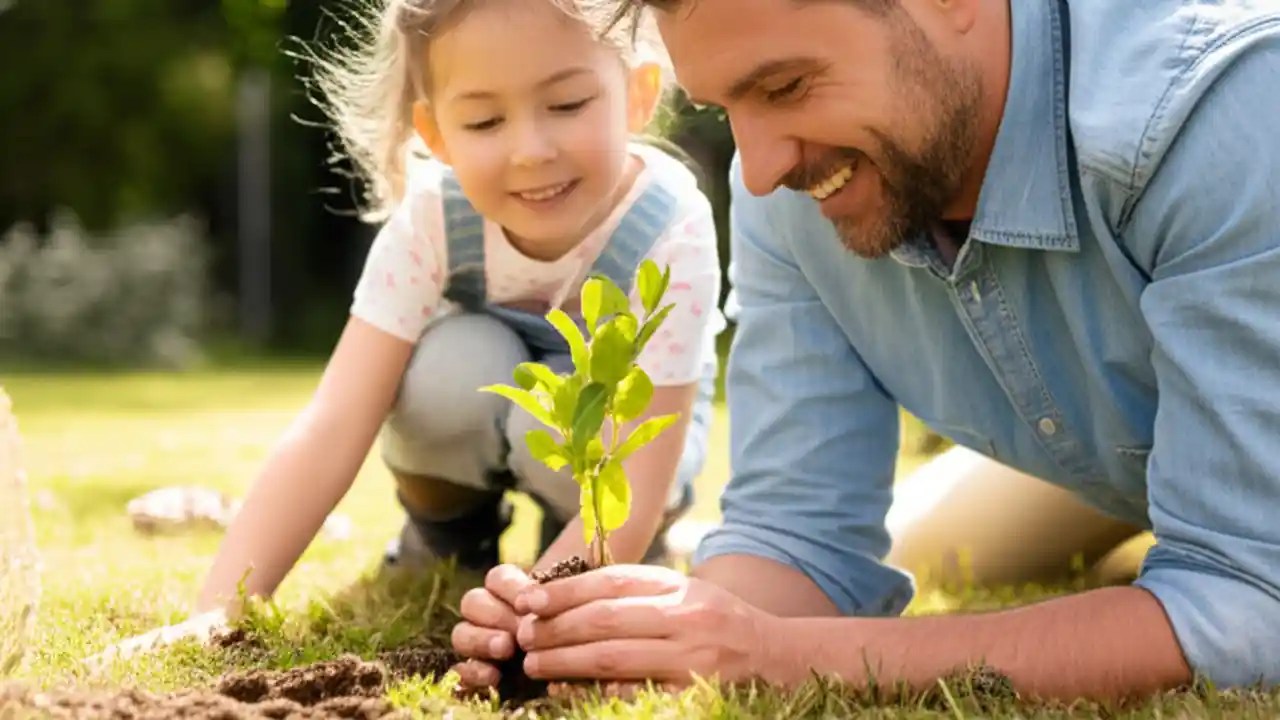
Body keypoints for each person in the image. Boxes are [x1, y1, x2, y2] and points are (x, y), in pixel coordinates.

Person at [447, 0, 1280, 702]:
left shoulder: (1226, 111)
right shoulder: (787, 188)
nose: (762, 168)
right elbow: (799, 541)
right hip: (1125, 450)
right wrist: (619, 631)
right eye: (728, 108)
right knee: (930, 538)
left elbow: (1246, 604)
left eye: (785, 85)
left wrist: (784, 657)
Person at [91, 0, 723, 661]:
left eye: (566, 105)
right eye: (484, 120)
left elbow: (640, 477)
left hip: (624, 466)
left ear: (639, 94)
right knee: (451, 365)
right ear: (438, 133)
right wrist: (220, 611)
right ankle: (447, 540)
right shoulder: (434, 218)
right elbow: (335, 422)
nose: (532, 151)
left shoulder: (670, 227)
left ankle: (605, 557)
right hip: (484, 407)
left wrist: (525, 617)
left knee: (569, 428)